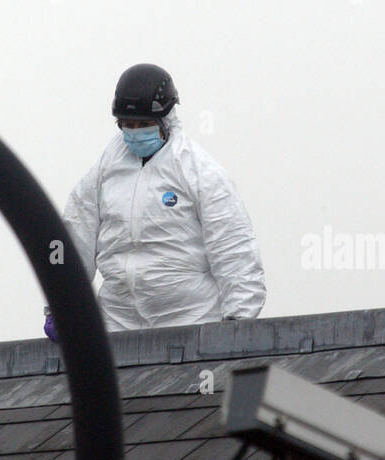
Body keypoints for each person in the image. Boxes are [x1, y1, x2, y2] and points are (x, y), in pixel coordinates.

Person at [45, 63, 266, 340]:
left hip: (191, 323)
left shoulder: (199, 172)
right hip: (118, 325)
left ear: (166, 120)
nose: (135, 132)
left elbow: (233, 247)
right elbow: (77, 236)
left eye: (144, 125)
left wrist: (239, 321)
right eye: (128, 125)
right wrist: (61, 305)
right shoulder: (105, 170)